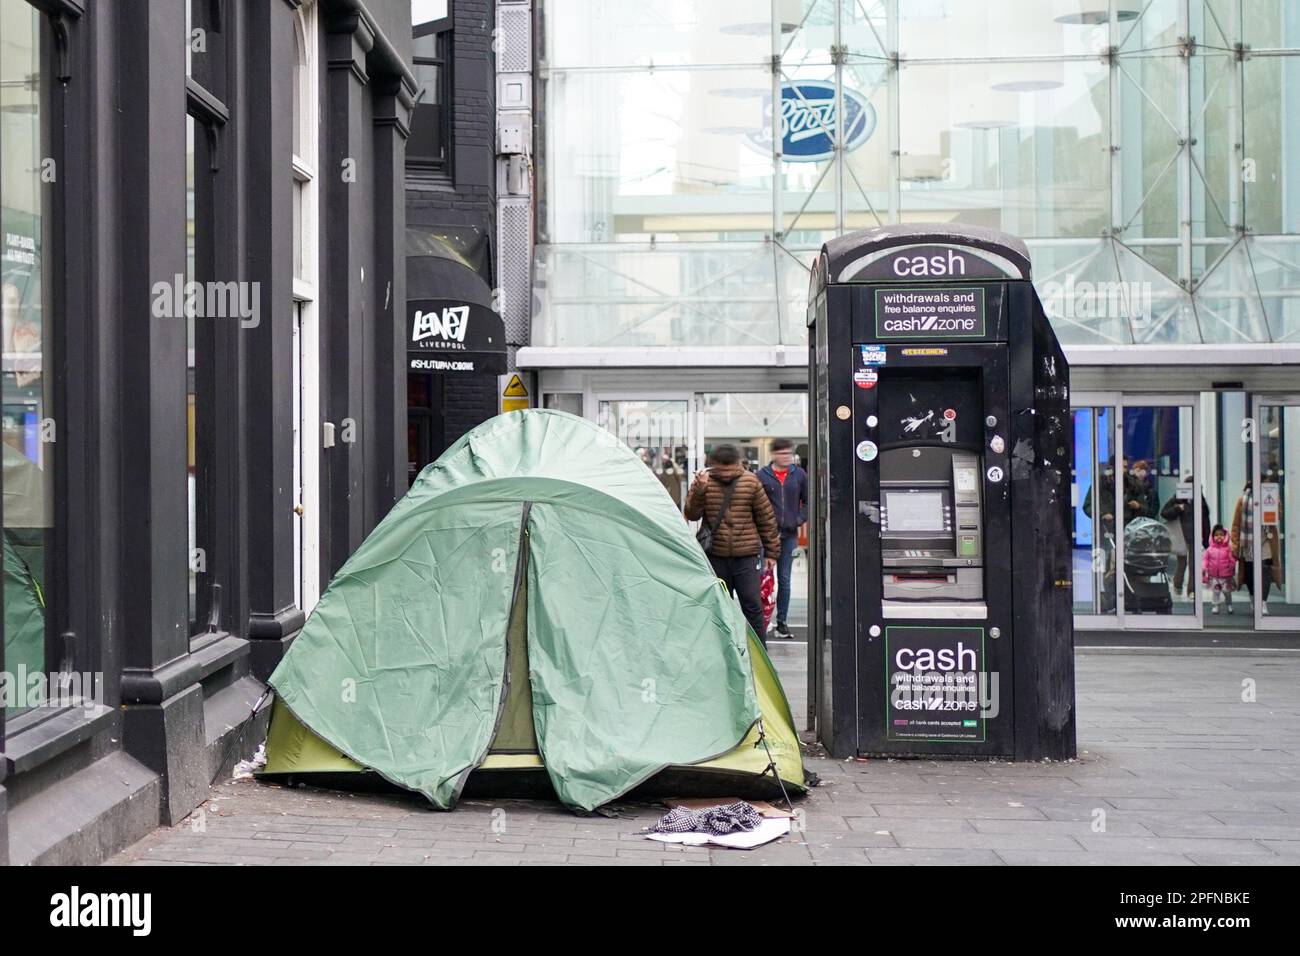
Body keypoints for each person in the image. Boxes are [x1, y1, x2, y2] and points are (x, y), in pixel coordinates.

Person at [685, 443, 779, 642]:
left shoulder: (750, 482)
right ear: (713, 465)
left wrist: (771, 552)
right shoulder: (705, 481)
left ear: (736, 464)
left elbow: (766, 518)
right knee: (718, 607)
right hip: (716, 555)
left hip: (746, 556)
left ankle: (759, 652)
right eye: (721, 469)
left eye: (729, 469)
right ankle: (722, 649)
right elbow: (691, 514)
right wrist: (700, 489)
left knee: (752, 606)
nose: (726, 474)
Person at [756, 438, 808, 639]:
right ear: (774, 455)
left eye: (789, 453)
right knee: (763, 580)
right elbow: (756, 504)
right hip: (765, 536)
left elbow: (808, 501)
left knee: (785, 580)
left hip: (789, 535)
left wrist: (798, 519)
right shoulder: (762, 476)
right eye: (782, 453)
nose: (786, 457)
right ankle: (762, 621)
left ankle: (782, 622)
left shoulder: (799, 475)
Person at [1232, 480, 1281, 615]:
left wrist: (1274, 503)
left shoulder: (1270, 497)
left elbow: (1279, 515)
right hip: (1247, 541)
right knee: (1249, 573)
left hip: (1265, 540)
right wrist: (1235, 544)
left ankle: (1263, 602)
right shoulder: (1243, 501)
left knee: (1265, 572)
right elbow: (1236, 524)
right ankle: (1254, 596)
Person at [1161, 478, 1211, 599]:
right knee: (1182, 561)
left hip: (1194, 535)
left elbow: (1205, 521)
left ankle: (1192, 590)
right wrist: (1178, 508)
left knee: (1193, 563)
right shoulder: (1178, 499)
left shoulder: (1200, 502)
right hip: (1181, 534)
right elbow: (1165, 513)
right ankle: (1177, 585)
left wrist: (1206, 539)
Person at [1202, 524, 1237, 615]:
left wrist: (1232, 567)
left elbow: (1231, 559)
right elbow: (1205, 559)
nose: (1219, 537)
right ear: (1212, 537)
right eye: (1216, 535)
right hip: (1214, 576)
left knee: (1227, 591)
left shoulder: (1228, 549)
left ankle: (1229, 604)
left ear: (1225, 536)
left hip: (1226, 576)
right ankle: (1216, 606)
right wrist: (1204, 567)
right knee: (1216, 592)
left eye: (1221, 535)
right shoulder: (1210, 549)